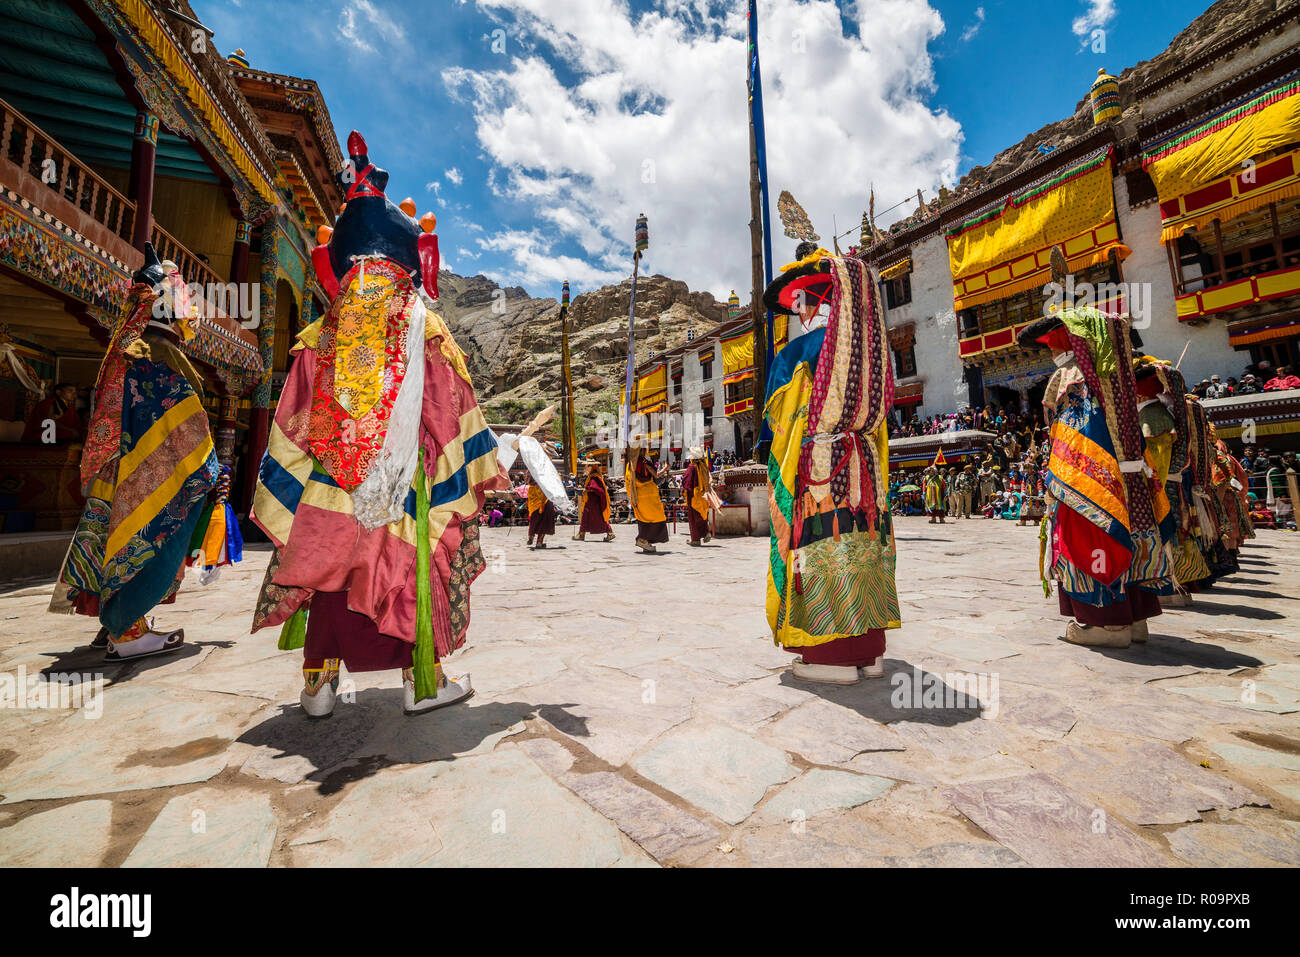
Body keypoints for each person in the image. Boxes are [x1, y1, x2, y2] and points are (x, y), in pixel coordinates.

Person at [249, 131, 508, 717]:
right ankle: (425, 683)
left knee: (329, 568)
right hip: (400, 490)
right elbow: (449, 416)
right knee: (409, 568)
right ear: (407, 257)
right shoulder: (425, 326)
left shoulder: (318, 335)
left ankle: (318, 686)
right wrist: (477, 467)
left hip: (326, 488)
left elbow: (290, 423)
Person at [50, 244, 218, 660]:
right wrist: (209, 463)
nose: (189, 308)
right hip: (147, 473)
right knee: (142, 536)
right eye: (183, 298)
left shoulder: (132, 344)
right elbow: (179, 419)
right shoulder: (158, 353)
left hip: (119, 468)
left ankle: (119, 623)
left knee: (114, 539)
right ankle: (125, 630)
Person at [761, 243, 898, 684]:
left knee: (822, 548)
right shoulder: (872, 351)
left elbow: (781, 426)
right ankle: (869, 654)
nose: (797, 313)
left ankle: (831, 658)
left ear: (810, 304)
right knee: (863, 545)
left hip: (820, 470)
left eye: (798, 304)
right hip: (865, 469)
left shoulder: (796, 354)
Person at [1018, 290, 1170, 649]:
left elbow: (1067, 432)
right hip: (1130, 476)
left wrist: (1059, 480)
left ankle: (1104, 623)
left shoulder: (1071, 379)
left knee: (1090, 540)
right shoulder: (1114, 378)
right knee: (1132, 535)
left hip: (1087, 479)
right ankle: (1133, 619)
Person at [625, 439, 669, 553]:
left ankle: (646, 541)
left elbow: (629, 482)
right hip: (648, 496)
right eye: (645, 448)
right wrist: (666, 468)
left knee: (644, 518)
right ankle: (642, 539)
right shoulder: (643, 461)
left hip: (638, 497)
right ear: (642, 450)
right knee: (657, 517)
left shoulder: (631, 464)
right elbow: (656, 474)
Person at [573, 459, 615, 541]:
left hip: (594, 503)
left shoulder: (595, 477)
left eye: (586, 466)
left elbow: (598, 489)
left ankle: (610, 532)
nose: (585, 468)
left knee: (596, 518)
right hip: (591, 501)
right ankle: (582, 534)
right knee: (588, 517)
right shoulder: (592, 477)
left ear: (591, 467)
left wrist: (587, 490)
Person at [682, 446, 715, 546]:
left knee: (693, 518)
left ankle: (695, 540)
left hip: (694, 495)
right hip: (703, 495)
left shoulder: (692, 467)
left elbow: (686, 482)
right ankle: (706, 533)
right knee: (701, 515)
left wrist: (685, 491)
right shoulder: (703, 466)